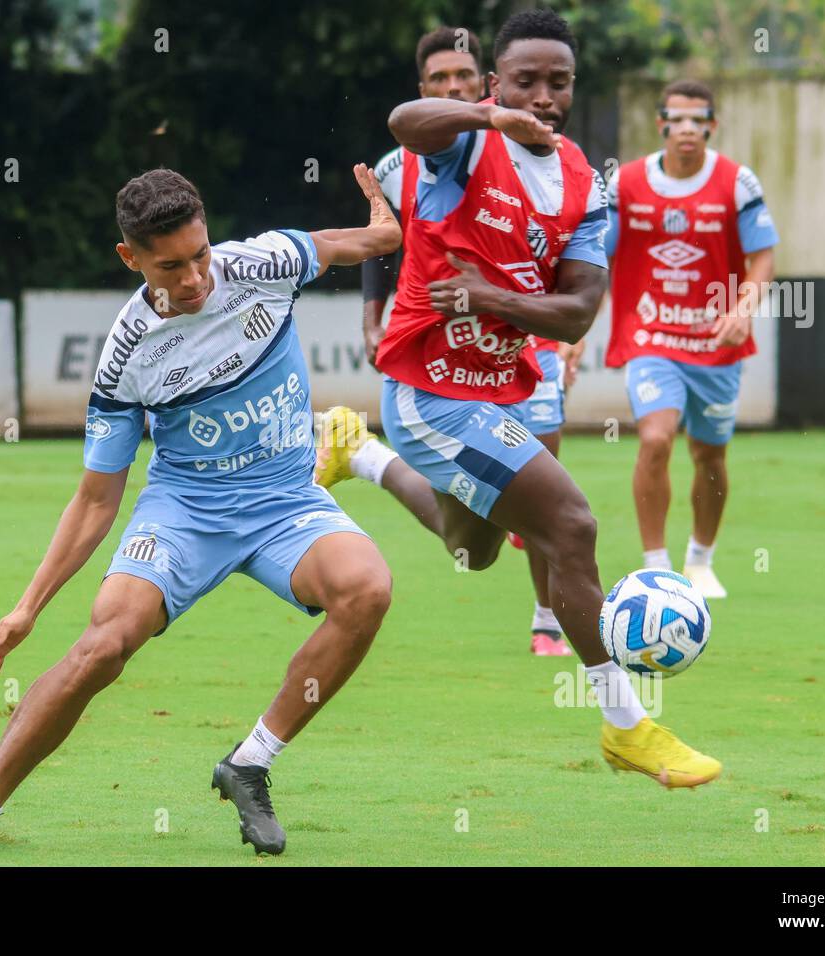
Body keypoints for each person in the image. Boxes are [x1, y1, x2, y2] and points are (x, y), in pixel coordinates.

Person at [0, 164, 401, 857]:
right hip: (186, 512)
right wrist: (27, 607)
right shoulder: (125, 355)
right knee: (105, 644)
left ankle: (251, 762)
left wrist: (386, 225)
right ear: (131, 258)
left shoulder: (264, 261)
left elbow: (359, 242)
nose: (196, 278)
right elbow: (96, 498)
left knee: (367, 588)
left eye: (200, 254)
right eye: (171, 266)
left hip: (284, 502)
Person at [321, 9, 720, 788]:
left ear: (574, 89)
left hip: (499, 391)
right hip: (429, 393)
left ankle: (357, 454)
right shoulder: (462, 147)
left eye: (558, 82)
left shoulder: (583, 183)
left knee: (468, 550)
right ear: (496, 82)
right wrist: (485, 114)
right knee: (570, 526)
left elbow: (576, 311)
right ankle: (627, 725)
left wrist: (486, 297)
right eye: (525, 80)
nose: (543, 95)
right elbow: (405, 123)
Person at [322, 23, 574, 656]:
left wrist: (569, 328)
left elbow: (572, 251)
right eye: (441, 80)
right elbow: (388, 243)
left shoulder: (550, 154)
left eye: (463, 76)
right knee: (476, 546)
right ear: (426, 88)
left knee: (547, 489)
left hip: (525, 342)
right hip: (442, 348)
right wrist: (373, 313)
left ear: (482, 79)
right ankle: (368, 456)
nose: (454, 87)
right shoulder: (409, 156)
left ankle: (546, 618)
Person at [604, 79, 779, 598]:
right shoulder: (626, 183)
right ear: (660, 124)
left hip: (715, 345)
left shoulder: (736, 182)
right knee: (656, 438)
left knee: (709, 454)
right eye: (675, 119)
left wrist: (744, 308)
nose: (685, 129)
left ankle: (700, 560)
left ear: (711, 125)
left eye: (696, 119)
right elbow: (597, 258)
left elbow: (763, 256)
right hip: (651, 335)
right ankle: (656, 568)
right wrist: (574, 331)